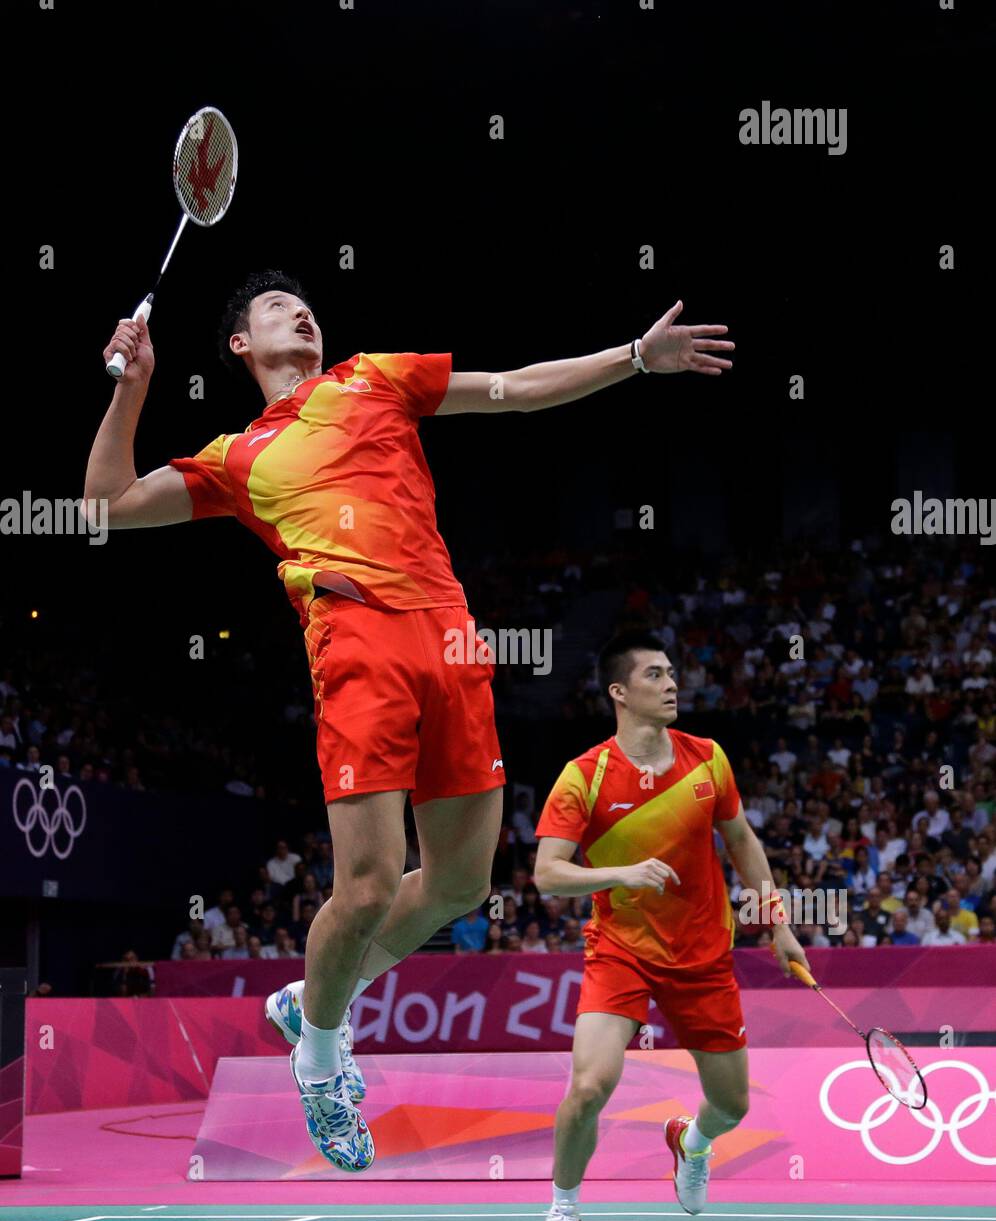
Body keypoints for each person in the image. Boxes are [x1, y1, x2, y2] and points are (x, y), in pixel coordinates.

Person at [89, 274, 733, 1174]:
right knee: (365, 884)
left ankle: (307, 1000)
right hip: (357, 645)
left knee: (464, 881)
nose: (300, 312)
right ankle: (317, 1057)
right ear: (240, 345)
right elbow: (105, 506)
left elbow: (512, 388)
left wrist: (633, 358)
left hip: (451, 639)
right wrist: (133, 384)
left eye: (305, 304)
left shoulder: (372, 377)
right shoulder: (235, 458)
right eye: (276, 307)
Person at [530, 632, 807, 1221]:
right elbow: (548, 874)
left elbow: (741, 841)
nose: (673, 684)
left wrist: (779, 923)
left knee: (732, 1104)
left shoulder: (707, 758)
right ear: (620, 693)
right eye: (656, 675)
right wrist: (619, 874)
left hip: (704, 952)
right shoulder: (584, 776)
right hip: (620, 949)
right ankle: (563, 1210)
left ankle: (692, 1141)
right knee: (588, 1086)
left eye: (673, 673)